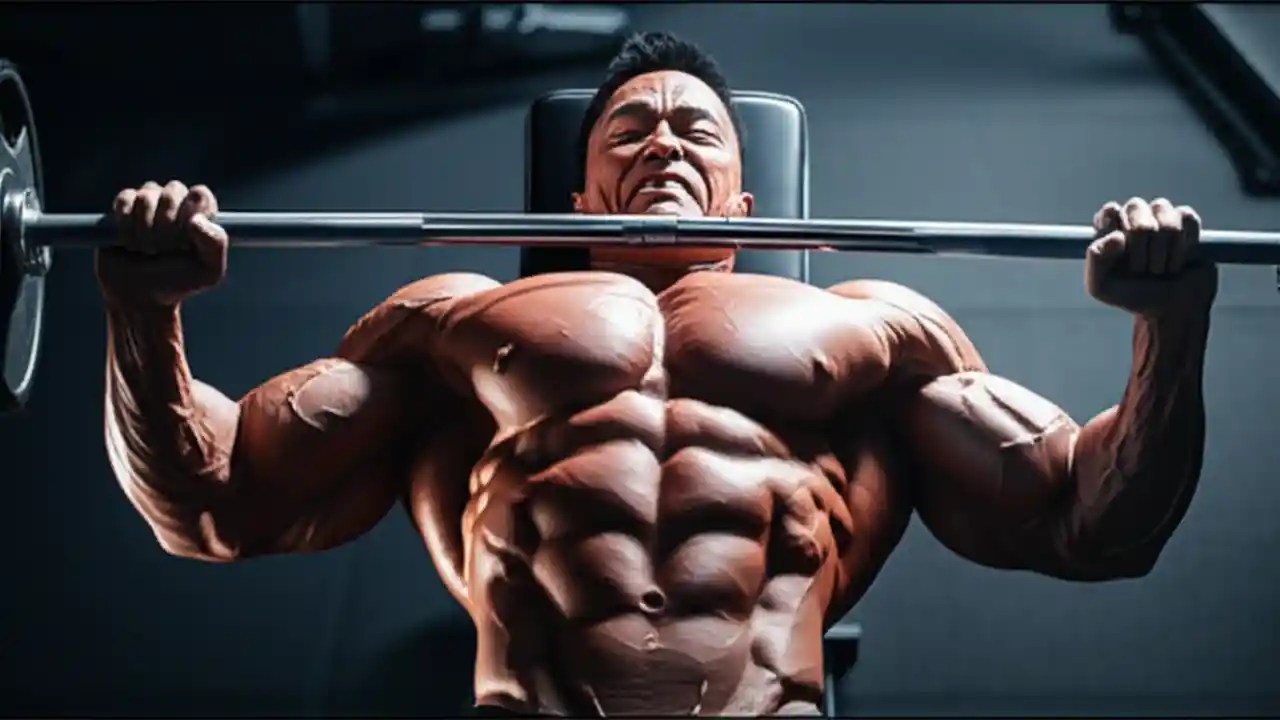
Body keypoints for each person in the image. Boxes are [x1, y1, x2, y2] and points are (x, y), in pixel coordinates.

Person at [95, 32, 1217, 718]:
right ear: (578, 200)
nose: (663, 143)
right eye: (627, 130)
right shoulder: (453, 323)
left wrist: (1167, 326)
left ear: (745, 203)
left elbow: (1092, 520)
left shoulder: (873, 329)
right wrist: (144, 309)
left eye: (696, 130)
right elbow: (214, 500)